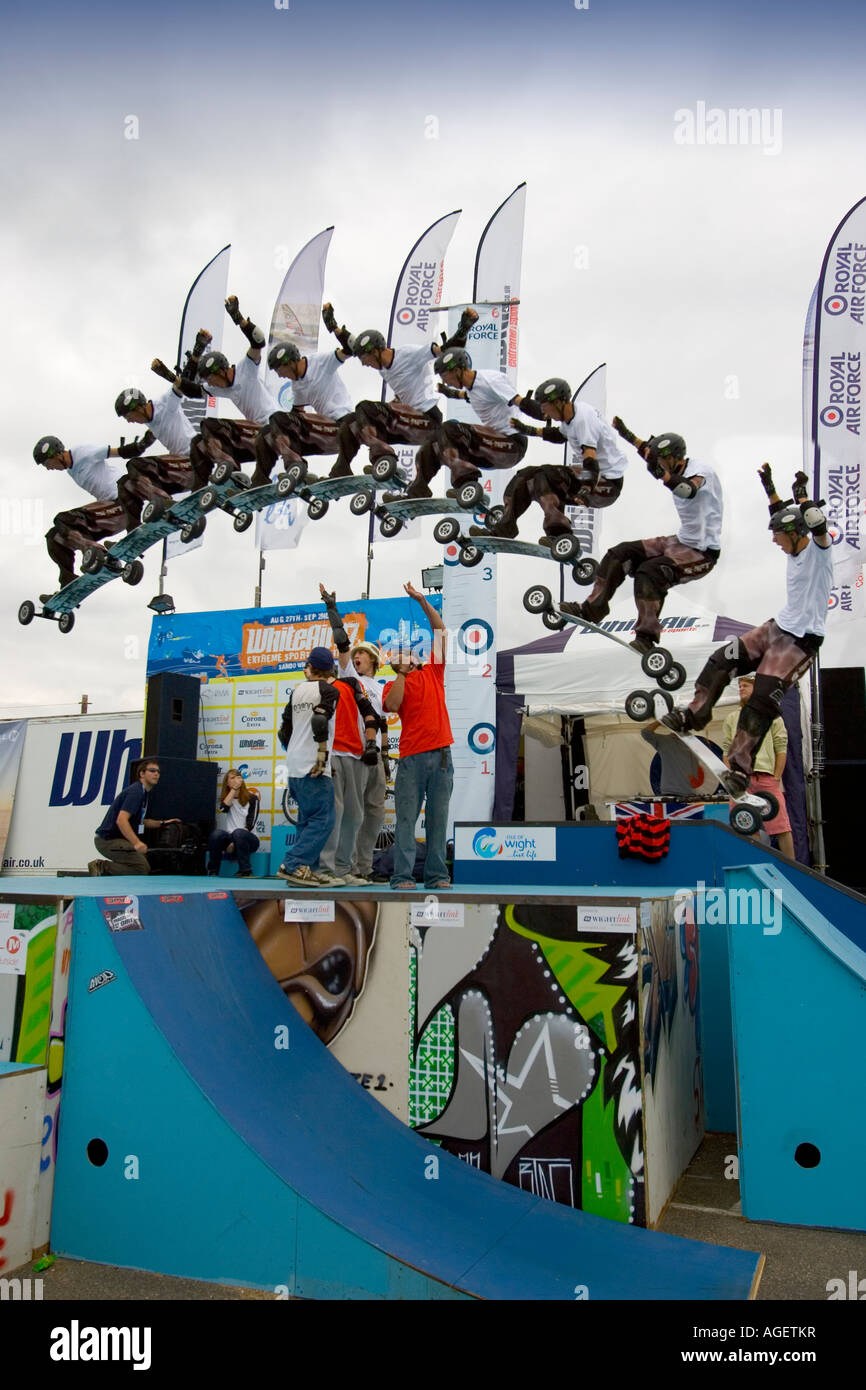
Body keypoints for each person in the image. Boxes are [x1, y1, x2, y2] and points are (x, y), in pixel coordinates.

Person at [663, 467, 832, 798]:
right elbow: (782, 516)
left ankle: (740, 770)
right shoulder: (792, 540)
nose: (775, 542)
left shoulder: (820, 553)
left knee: (759, 701)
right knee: (722, 659)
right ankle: (694, 715)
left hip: (800, 644)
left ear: (796, 534)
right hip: (776, 628)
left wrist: (803, 494)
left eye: (778, 536)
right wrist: (770, 486)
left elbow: (816, 524)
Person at [559, 425, 723, 654]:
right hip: (678, 541)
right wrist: (626, 434)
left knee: (650, 572)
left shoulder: (701, 471)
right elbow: (647, 451)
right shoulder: (668, 460)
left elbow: (688, 490)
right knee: (620, 553)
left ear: (674, 458)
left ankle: (646, 636)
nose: (658, 466)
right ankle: (591, 609)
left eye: (661, 463)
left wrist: (663, 475)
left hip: (702, 553)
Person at [321, 303, 478, 494]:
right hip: (409, 422)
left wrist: (464, 328)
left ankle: (384, 459)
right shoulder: (381, 364)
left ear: (376, 350)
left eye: (367, 360)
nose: (366, 365)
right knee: (352, 422)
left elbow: (445, 351)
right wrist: (333, 326)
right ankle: (343, 468)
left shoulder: (408, 355)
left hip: (427, 420)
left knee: (366, 408)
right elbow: (353, 343)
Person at [485, 377, 629, 543]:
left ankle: (559, 534)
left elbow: (591, 460)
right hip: (595, 479)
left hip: (605, 485)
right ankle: (505, 527)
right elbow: (560, 435)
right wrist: (529, 430)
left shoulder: (584, 419)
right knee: (527, 475)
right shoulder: (570, 418)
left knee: (546, 474)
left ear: (560, 403)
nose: (545, 413)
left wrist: (586, 488)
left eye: (546, 408)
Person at [383, 580, 453, 891]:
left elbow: (440, 631)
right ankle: (402, 877)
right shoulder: (392, 683)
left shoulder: (433, 671)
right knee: (406, 821)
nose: (400, 654)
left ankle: (438, 876)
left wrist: (423, 602)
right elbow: (392, 705)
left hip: (440, 756)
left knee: (438, 821)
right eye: (393, 654)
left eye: (403, 651)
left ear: (414, 656)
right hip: (411, 758)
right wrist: (399, 673)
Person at [319, 584, 390, 885]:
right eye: (355, 655)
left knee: (370, 812)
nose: (356, 657)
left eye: (363, 654)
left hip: (372, 756)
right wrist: (332, 611)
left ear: (373, 660)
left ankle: (362, 866)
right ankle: (336, 867)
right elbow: (342, 644)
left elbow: (383, 723)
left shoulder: (381, 687)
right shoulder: (350, 678)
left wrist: (385, 758)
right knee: (345, 810)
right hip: (348, 752)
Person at [196, 297, 302, 486]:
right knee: (209, 428)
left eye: (212, 379)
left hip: (274, 424)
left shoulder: (246, 368)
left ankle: (295, 467)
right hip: (255, 433)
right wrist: (197, 351)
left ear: (220, 371)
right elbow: (191, 390)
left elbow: (258, 341)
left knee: (270, 431)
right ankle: (231, 473)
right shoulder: (221, 388)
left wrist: (239, 319)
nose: (213, 385)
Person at [405, 347, 529, 494]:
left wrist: (541, 417)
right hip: (491, 448)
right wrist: (448, 392)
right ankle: (418, 488)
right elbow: (464, 396)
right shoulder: (472, 390)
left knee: (449, 428)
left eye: (445, 377)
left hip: (512, 447)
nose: (445, 382)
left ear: (457, 370)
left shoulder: (490, 380)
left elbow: (519, 401)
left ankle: (466, 483)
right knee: (434, 443)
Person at [34, 434, 147, 594]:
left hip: (122, 504)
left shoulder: (82, 452)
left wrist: (131, 448)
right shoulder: (71, 471)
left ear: (56, 453)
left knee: (62, 520)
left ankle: (95, 551)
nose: (48, 468)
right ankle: (68, 580)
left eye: (47, 463)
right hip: (107, 516)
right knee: (54, 537)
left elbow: (112, 452)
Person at [276, 646, 340, 886]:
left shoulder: (297, 691)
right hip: (314, 763)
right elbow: (320, 718)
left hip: (293, 763)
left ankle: (303, 871)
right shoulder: (329, 690)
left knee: (306, 820)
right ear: (330, 669)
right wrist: (322, 755)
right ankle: (292, 864)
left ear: (310, 668)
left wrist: (295, 750)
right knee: (324, 819)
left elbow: (285, 729)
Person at [264, 331, 357, 480]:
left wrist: (336, 329)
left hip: (343, 425)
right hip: (325, 433)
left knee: (279, 419)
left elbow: (350, 349)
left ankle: (338, 469)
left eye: (280, 371)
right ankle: (296, 470)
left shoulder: (321, 362)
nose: (281, 376)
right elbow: (296, 413)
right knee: (275, 428)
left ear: (290, 362)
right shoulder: (297, 385)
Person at [720, 677, 793, 858]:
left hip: (765, 779)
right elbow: (725, 750)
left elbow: (781, 748)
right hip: (740, 781)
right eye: (739, 686)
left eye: (745, 685)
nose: (741, 689)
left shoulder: (772, 716)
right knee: (746, 824)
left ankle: (795, 871)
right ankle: (757, 866)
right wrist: (731, 778)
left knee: (781, 827)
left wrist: (776, 778)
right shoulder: (732, 717)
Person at [91, 760, 179, 875]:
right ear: (142, 774)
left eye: (158, 772)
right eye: (152, 771)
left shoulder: (143, 793)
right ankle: (101, 867)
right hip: (108, 840)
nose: (156, 774)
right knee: (141, 868)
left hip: (116, 840)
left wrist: (162, 823)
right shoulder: (136, 792)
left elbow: (142, 821)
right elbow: (121, 820)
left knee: (142, 863)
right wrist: (136, 843)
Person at [640, 721, 720, 798]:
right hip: (670, 793)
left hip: (687, 793)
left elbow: (696, 773)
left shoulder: (692, 743)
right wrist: (659, 721)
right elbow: (645, 733)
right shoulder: (664, 741)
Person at [208, 770, 261, 877]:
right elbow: (223, 809)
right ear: (227, 783)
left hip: (249, 839)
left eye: (237, 777)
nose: (235, 780)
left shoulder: (252, 798)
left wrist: (234, 842)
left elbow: (250, 824)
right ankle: (213, 871)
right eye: (231, 778)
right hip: (231, 838)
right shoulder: (228, 798)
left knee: (238, 833)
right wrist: (234, 789)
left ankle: (246, 870)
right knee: (216, 834)